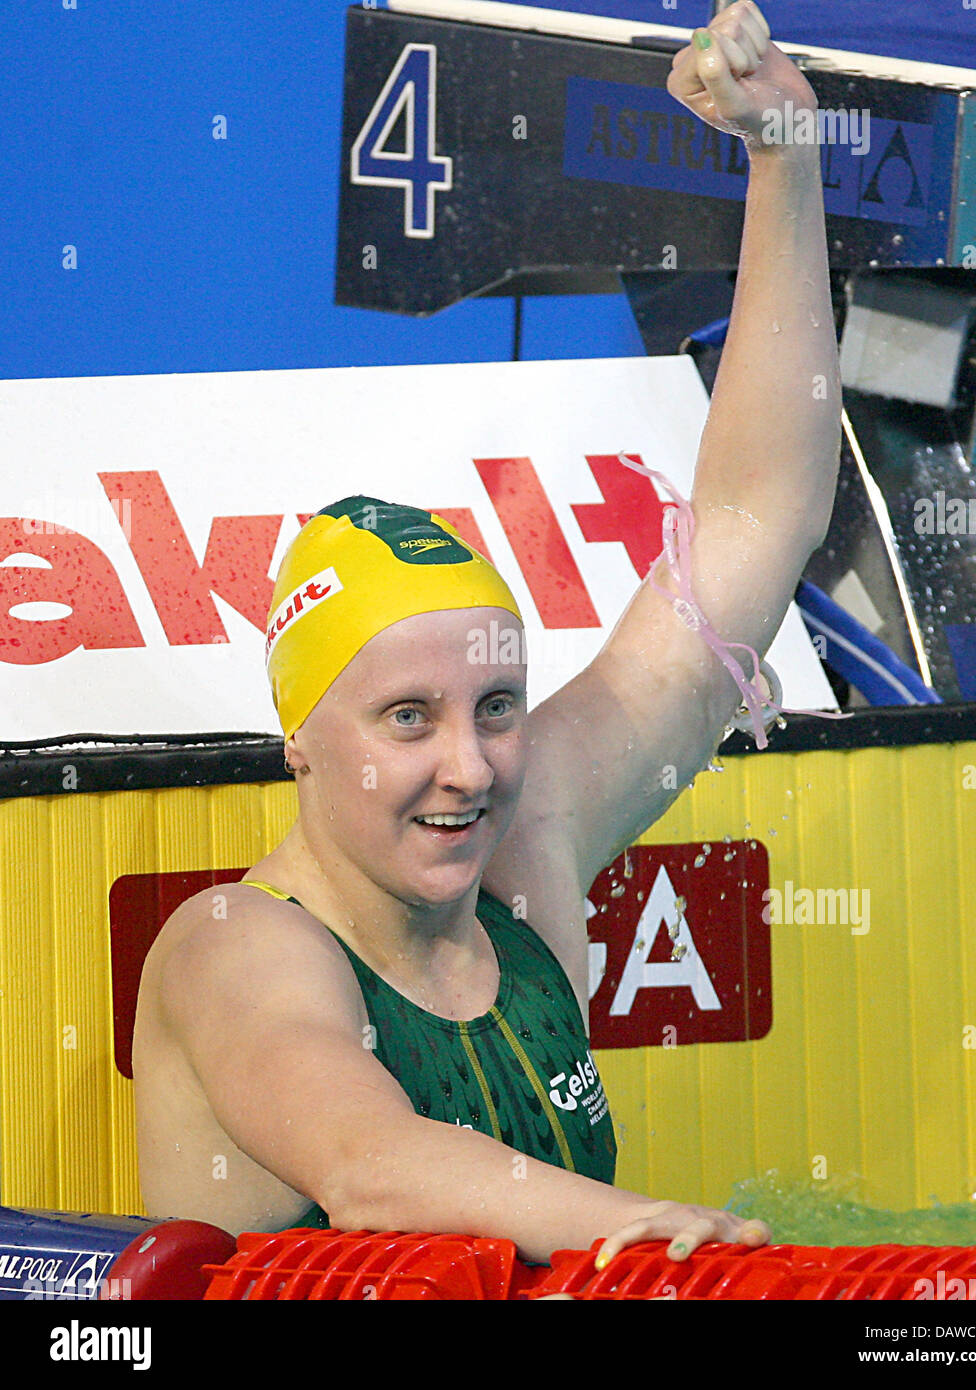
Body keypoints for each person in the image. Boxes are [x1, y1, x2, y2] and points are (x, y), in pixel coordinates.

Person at [133, 0, 840, 1273]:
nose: (470, 765)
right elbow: (373, 1169)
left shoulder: (530, 848)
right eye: (408, 718)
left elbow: (754, 517)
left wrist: (783, 157)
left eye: (495, 707)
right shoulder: (236, 951)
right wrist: (642, 1226)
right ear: (299, 737)